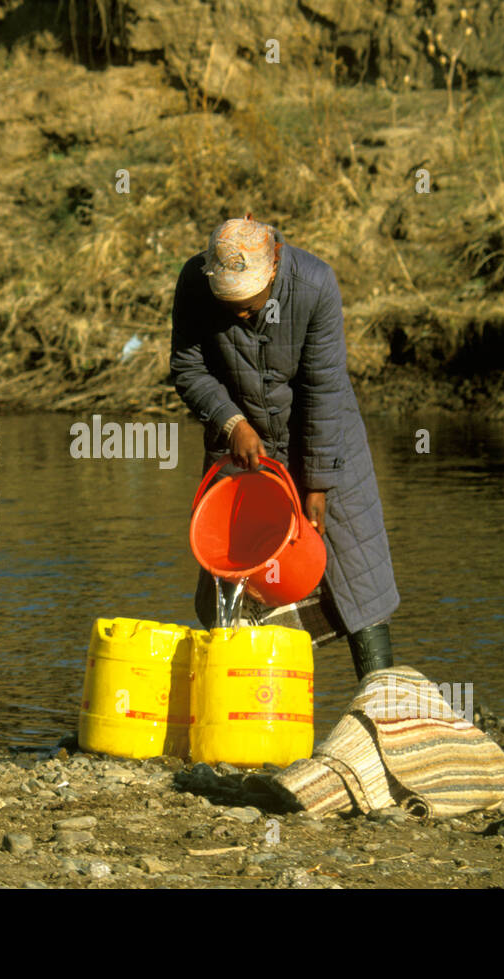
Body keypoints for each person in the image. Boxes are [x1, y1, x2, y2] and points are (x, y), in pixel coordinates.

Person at [169, 215, 399, 680]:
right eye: (228, 306)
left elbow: (323, 387)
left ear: (273, 267)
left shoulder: (314, 284)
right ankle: (245, 709)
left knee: (359, 576)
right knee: (235, 572)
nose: (239, 316)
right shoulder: (194, 283)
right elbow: (187, 368)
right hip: (241, 447)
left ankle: (379, 703)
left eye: (249, 307)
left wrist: (317, 484)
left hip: (324, 437)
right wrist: (232, 423)